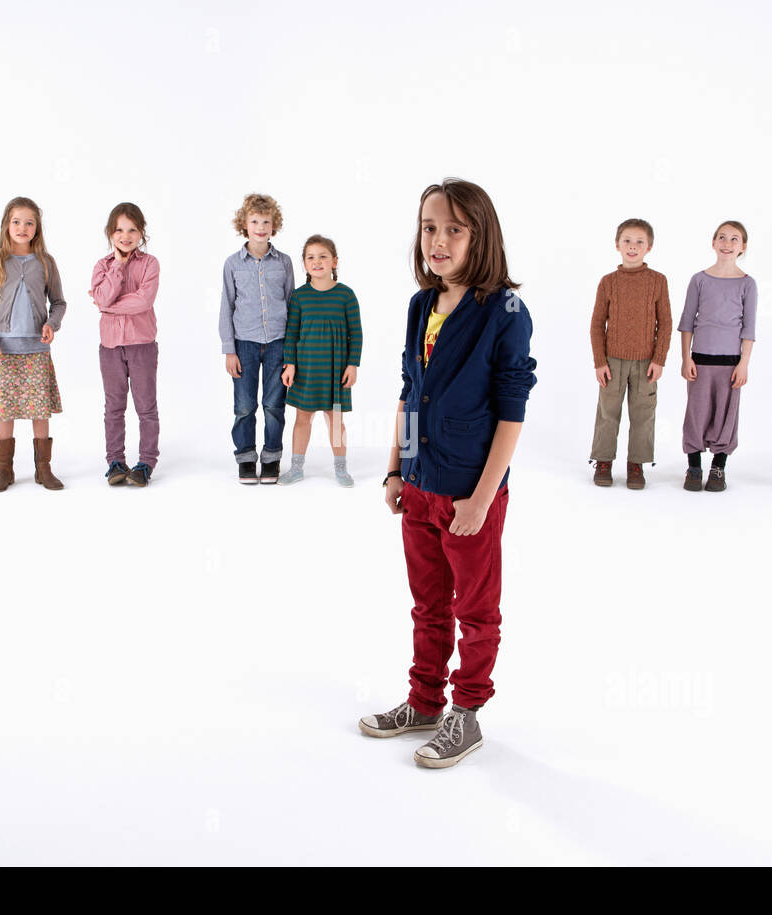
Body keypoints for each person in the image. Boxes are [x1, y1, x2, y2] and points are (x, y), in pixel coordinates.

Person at [359, 179, 537, 770]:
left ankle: (466, 714)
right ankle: (425, 701)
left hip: (469, 494)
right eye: (430, 228)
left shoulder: (506, 312)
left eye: (454, 229)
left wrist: (482, 500)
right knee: (427, 604)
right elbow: (410, 394)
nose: (438, 240)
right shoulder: (420, 306)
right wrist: (393, 471)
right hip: (418, 487)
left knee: (475, 610)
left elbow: (512, 410)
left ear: (479, 236)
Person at [0, 197, 67, 492]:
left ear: (37, 228)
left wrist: (52, 324)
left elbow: (59, 302)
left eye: (29, 222)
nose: (22, 227)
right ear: (6, 225)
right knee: (6, 410)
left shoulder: (46, 263)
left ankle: (43, 468)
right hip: (3, 350)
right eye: (16, 221)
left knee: (40, 410)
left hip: (36, 349)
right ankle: (5, 469)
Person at [588, 218, 672, 489]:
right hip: (612, 361)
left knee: (643, 414)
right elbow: (597, 324)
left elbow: (666, 323)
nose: (632, 247)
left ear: (649, 247)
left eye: (639, 242)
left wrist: (659, 359)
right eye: (627, 241)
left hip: (646, 362)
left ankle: (636, 464)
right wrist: (600, 362)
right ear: (617, 245)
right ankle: (603, 461)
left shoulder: (658, 281)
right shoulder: (608, 282)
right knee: (607, 412)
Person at [218, 193, 294, 484]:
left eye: (266, 221)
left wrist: (291, 353)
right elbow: (228, 305)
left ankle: (272, 457)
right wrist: (229, 349)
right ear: (244, 225)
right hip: (244, 344)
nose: (260, 226)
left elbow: (291, 304)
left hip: (278, 343)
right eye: (254, 221)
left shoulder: (284, 263)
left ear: (274, 225)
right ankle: (246, 458)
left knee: (274, 405)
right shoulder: (233, 264)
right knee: (245, 405)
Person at [678, 220, 756, 492]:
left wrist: (743, 363)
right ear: (713, 243)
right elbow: (687, 321)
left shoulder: (747, 284)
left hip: (730, 362)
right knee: (697, 413)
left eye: (734, 239)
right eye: (722, 237)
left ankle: (718, 467)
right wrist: (686, 358)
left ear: (742, 247)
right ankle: (694, 466)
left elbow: (749, 328)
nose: (727, 243)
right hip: (701, 359)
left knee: (726, 414)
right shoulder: (699, 280)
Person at [279, 235, 362, 487]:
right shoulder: (299, 296)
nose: (317, 262)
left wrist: (352, 364)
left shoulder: (346, 295)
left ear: (334, 261)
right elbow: (291, 333)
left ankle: (341, 468)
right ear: (304, 264)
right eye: (311, 257)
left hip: (336, 369)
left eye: (323, 256)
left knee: (335, 419)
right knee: (302, 418)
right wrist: (290, 363)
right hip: (306, 369)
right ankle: (296, 467)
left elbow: (355, 333)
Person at [90, 202, 161, 487]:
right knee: (113, 407)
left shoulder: (150, 264)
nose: (125, 235)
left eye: (132, 229)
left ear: (141, 232)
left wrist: (107, 306)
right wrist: (118, 266)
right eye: (119, 230)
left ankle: (146, 462)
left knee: (146, 407)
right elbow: (102, 297)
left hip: (142, 344)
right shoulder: (102, 266)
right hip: (109, 347)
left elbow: (144, 301)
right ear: (110, 233)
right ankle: (115, 462)